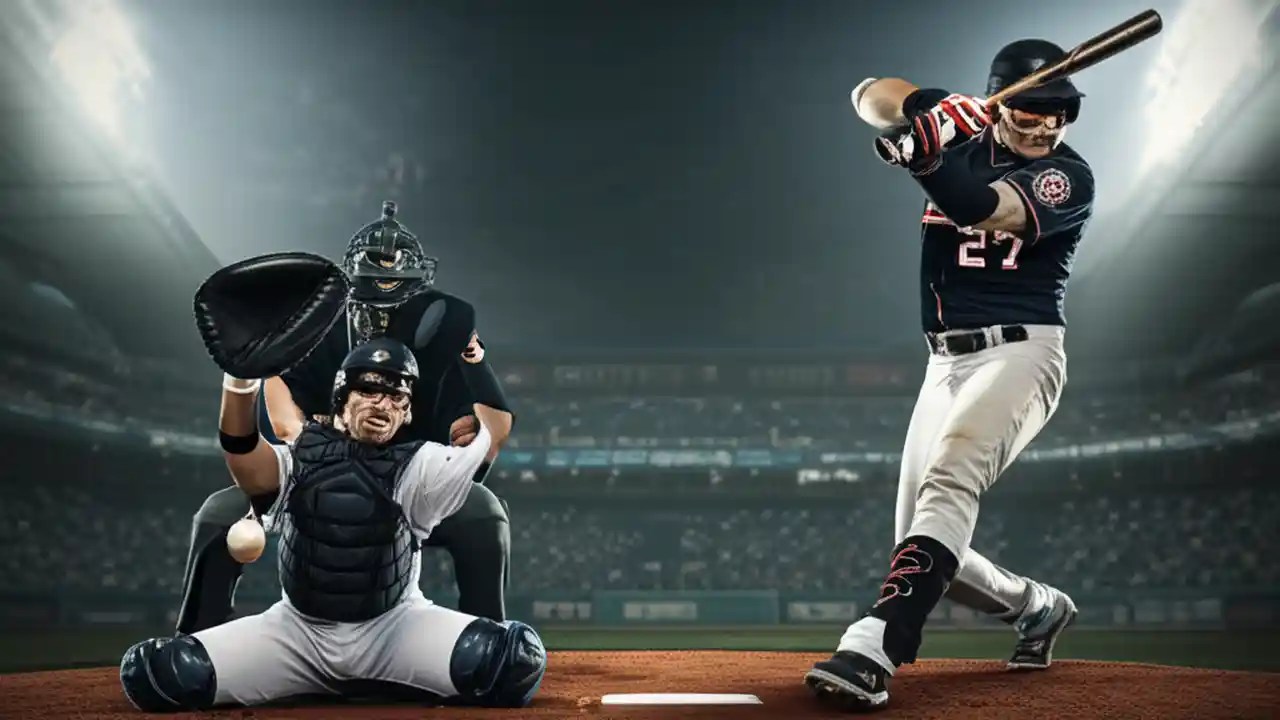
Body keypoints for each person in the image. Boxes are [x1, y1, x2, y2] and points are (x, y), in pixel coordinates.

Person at [806, 39, 1095, 712]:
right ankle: (1037, 606)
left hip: (1020, 351)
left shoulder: (1066, 177)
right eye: (1030, 107)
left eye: (1060, 111)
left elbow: (981, 208)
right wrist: (922, 115)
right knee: (928, 549)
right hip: (944, 361)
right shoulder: (962, 120)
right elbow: (868, 92)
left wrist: (928, 156)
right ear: (1001, 102)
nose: (1045, 124)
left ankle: (876, 643)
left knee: (953, 476)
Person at [121, 338, 545, 712]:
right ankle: (365, 684)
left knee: (513, 659)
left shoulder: (422, 466)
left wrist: (475, 357)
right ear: (342, 396)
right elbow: (241, 448)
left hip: (395, 629)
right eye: (369, 389)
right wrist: (240, 377)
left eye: (397, 396)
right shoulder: (297, 455)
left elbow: (496, 431)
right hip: (295, 633)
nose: (383, 403)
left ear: (408, 410)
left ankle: (367, 679)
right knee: (158, 674)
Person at [176, 201, 515, 634]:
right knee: (218, 515)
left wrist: (470, 378)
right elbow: (284, 424)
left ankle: (486, 642)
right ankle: (195, 637)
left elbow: (479, 435)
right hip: (317, 470)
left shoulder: (445, 342)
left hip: (407, 480)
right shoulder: (315, 332)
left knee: (483, 516)